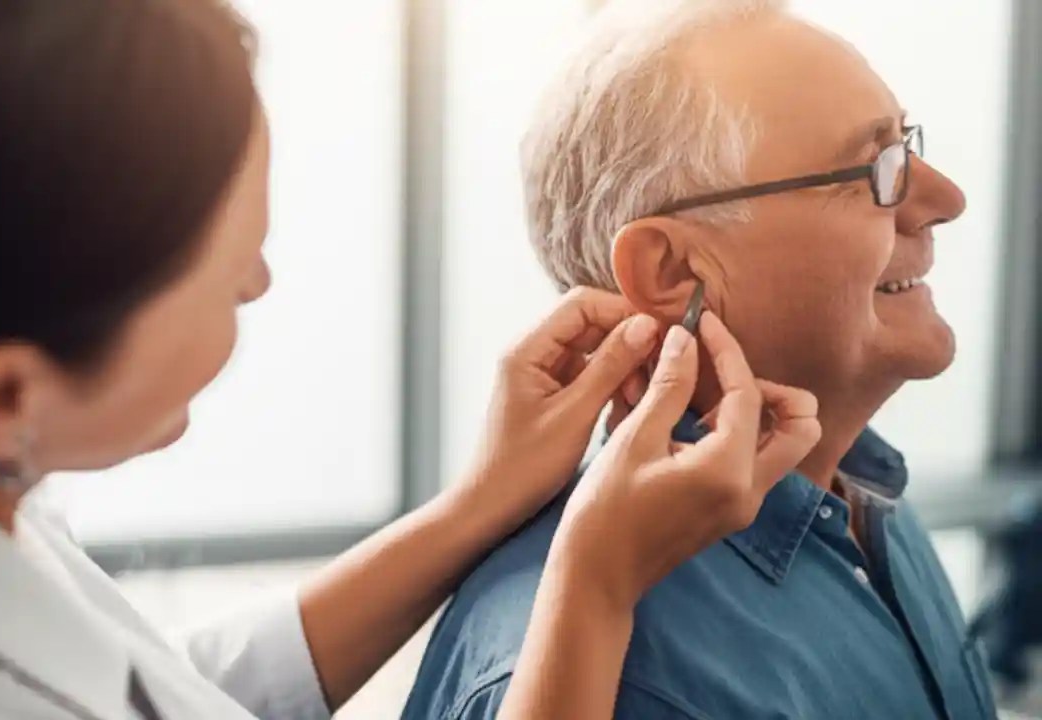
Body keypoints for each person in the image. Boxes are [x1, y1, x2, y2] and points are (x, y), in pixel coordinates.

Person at [0, 1, 820, 718]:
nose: (262, 284)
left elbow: (163, 688)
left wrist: (478, 506)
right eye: (229, 277)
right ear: (3, 394)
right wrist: (591, 590)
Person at [403, 1, 997, 719]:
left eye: (906, 145)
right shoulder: (620, 679)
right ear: (674, 271)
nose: (947, 199)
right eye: (877, 169)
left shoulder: (864, 495)